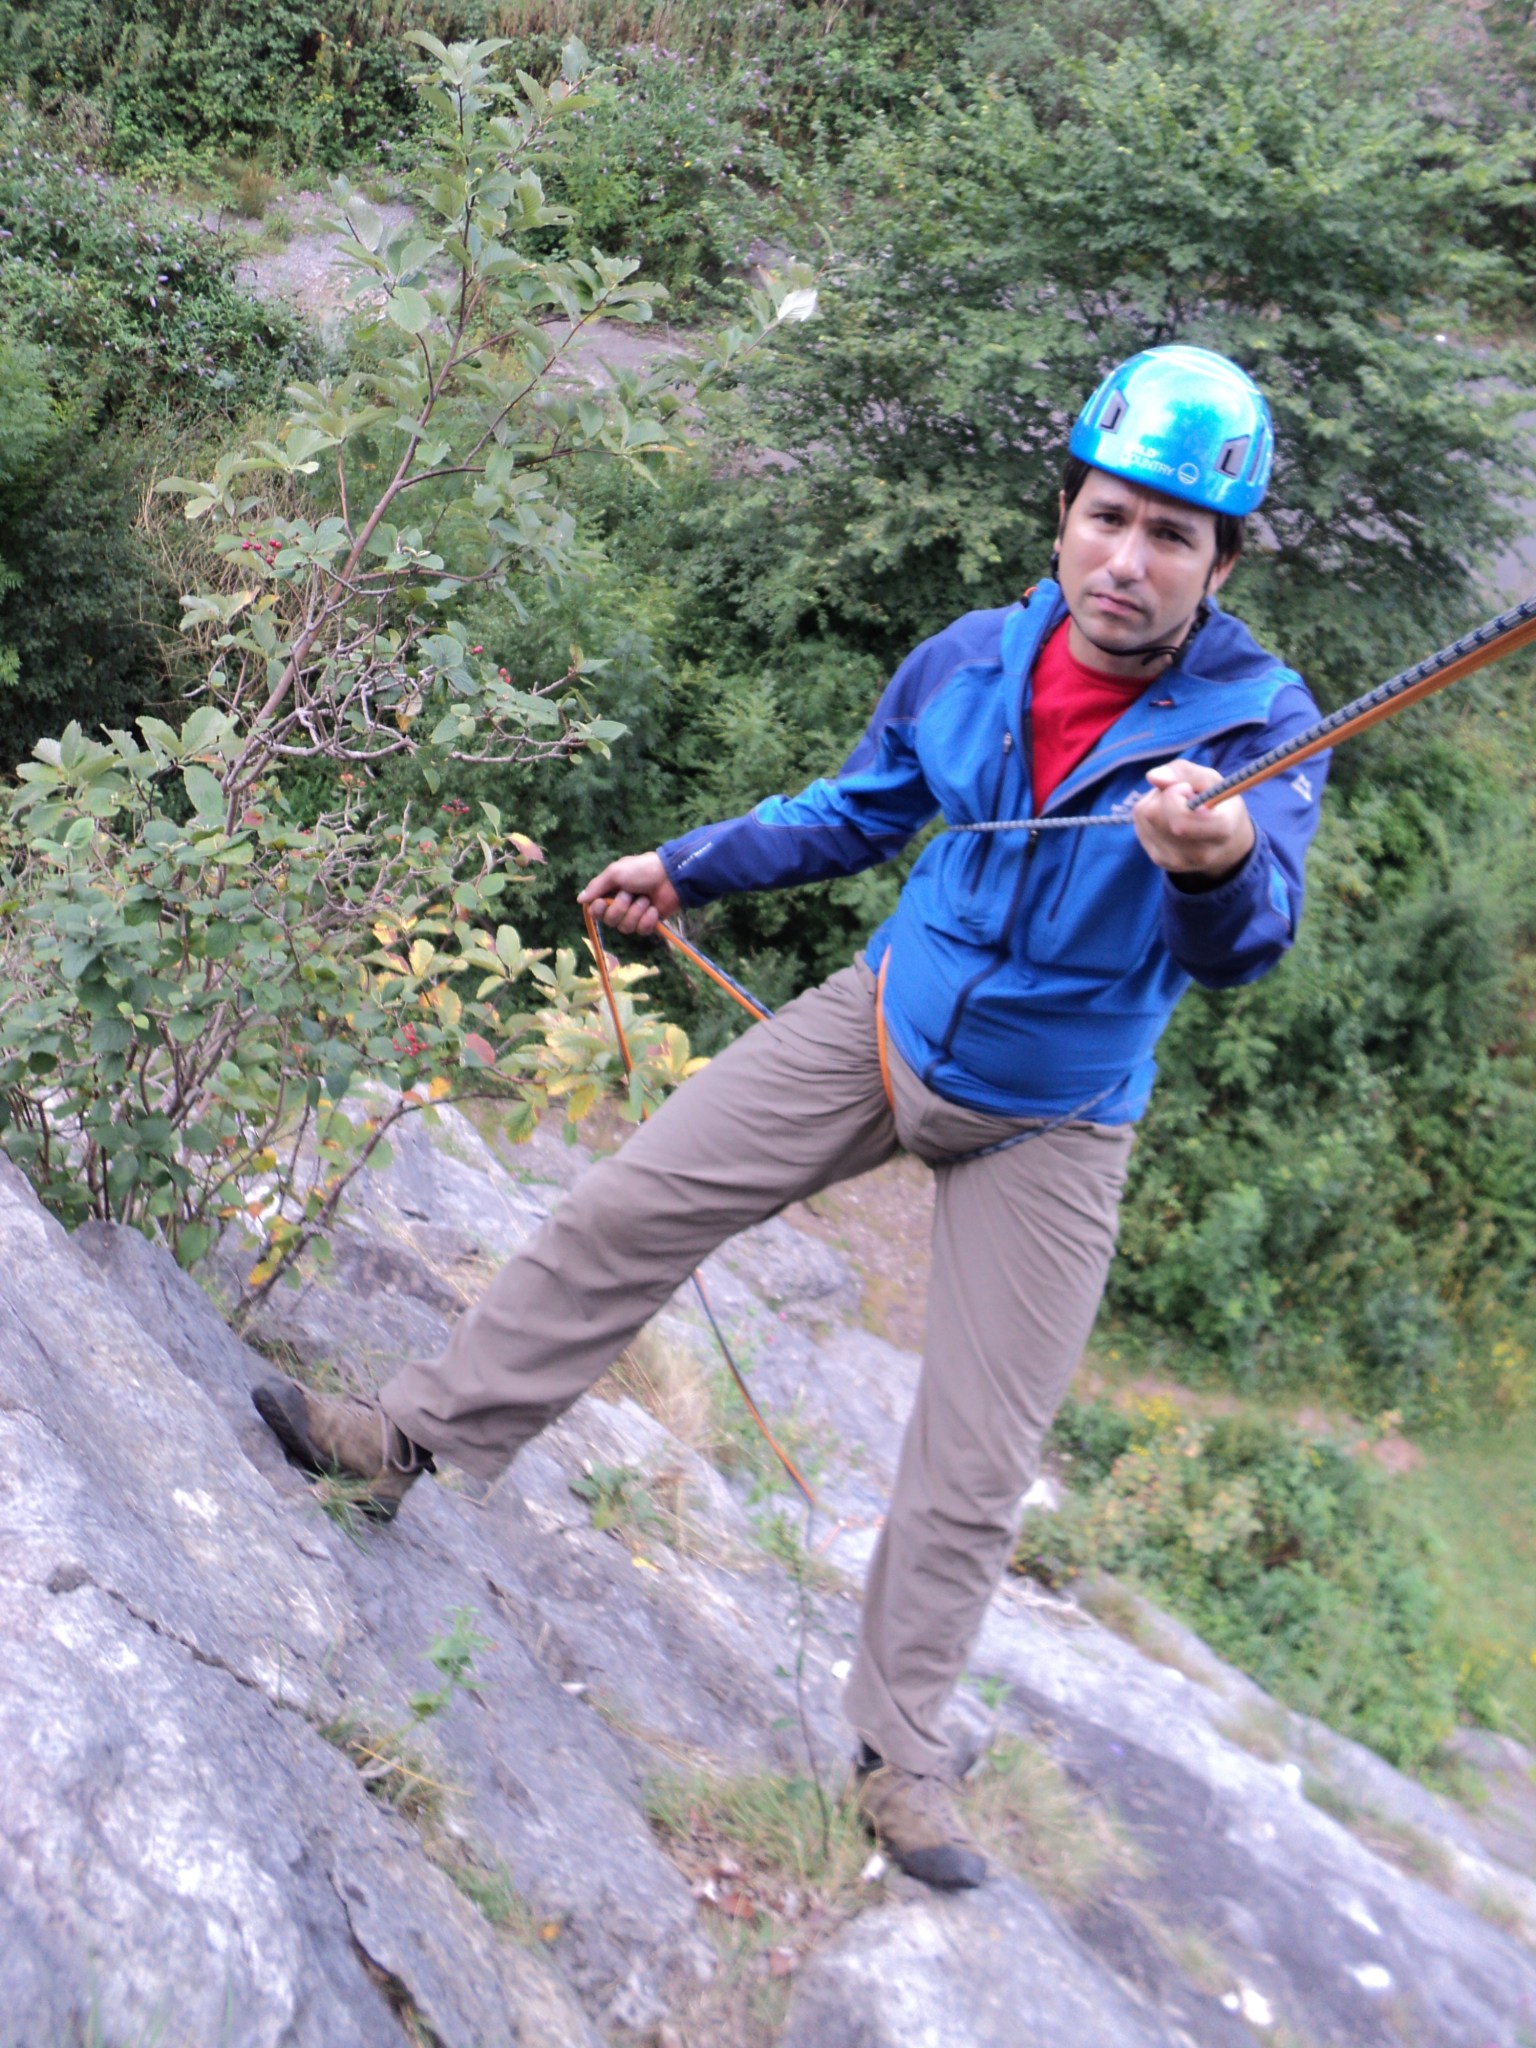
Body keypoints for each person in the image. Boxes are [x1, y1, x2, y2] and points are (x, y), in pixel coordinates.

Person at [254, 345, 1328, 1891]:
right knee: (628, 1206)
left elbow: (1246, 947)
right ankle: (404, 1442)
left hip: (1057, 1115)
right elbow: (861, 806)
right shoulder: (968, 662)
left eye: (1173, 537)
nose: (1128, 559)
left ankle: (902, 1758)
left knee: (976, 1452)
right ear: (1065, 516)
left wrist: (1211, 860)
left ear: (1220, 564)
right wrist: (688, 865)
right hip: (880, 1025)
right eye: (1110, 516)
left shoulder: (1258, 730)